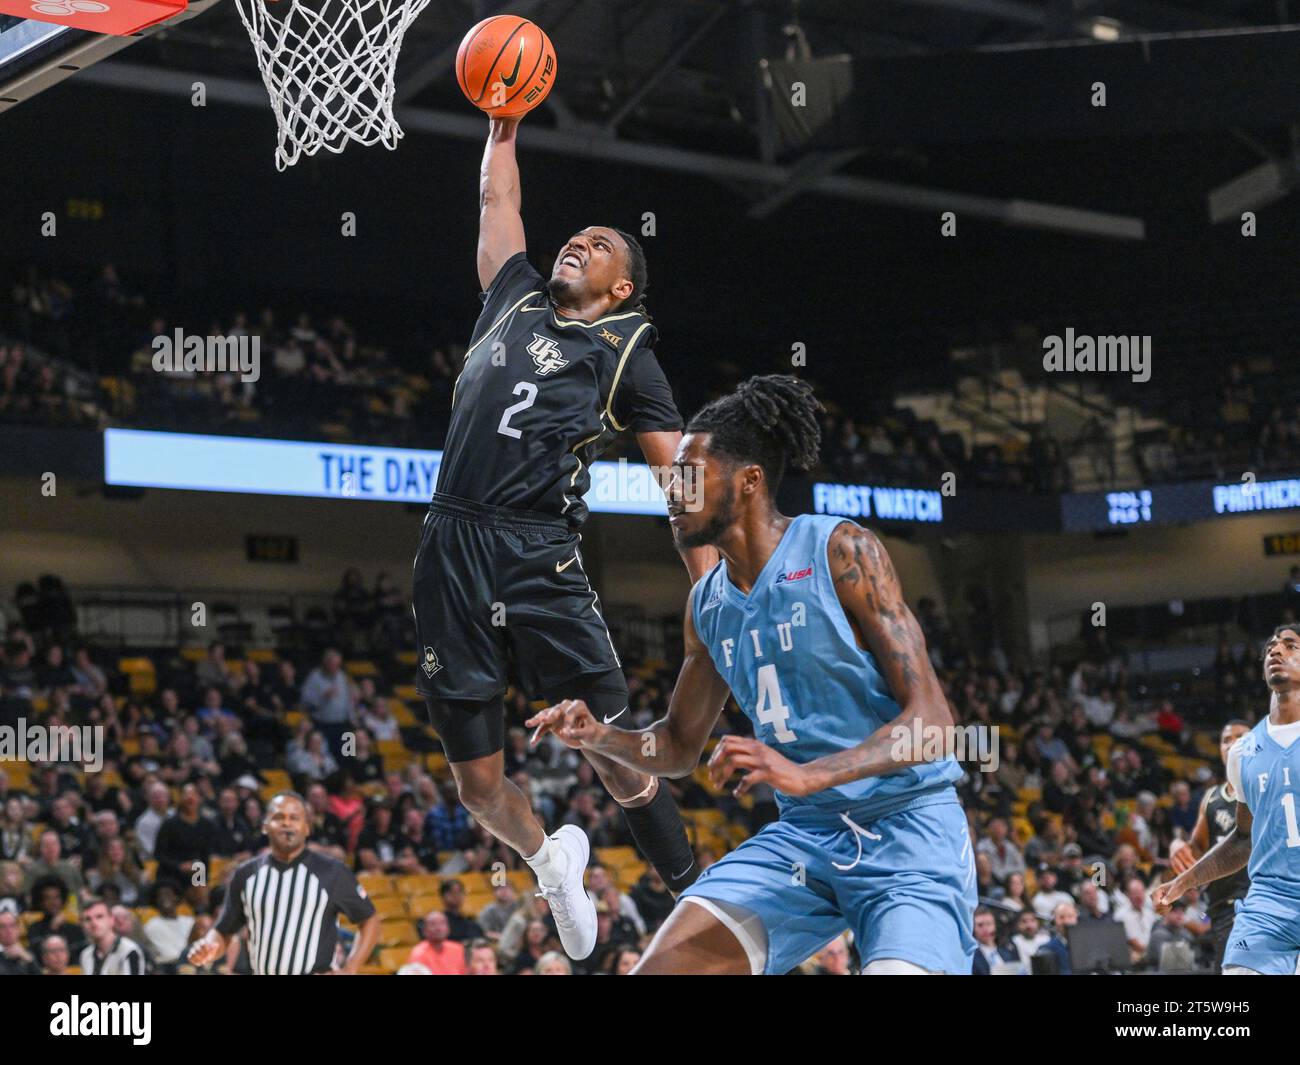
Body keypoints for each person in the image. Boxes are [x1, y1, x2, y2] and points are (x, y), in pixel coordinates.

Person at [528, 376, 977, 975]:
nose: (673, 493)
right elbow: (680, 747)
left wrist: (806, 773)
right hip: (803, 842)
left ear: (749, 480)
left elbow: (935, 722)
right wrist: (598, 736)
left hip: (908, 832)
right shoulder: (707, 605)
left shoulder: (841, 550)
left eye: (690, 476)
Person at [408, 111, 716, 962]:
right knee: (476, 789)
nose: (578, 241)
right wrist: (503, 120)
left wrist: (711, 583)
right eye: (577, 234)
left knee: (618, 751)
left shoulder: (626, 350)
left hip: (538, 552)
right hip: (450, 543)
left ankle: (696, 889)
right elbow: (495, 195)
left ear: (623, 288)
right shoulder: (511, 293)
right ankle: (551, 866)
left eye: (601, 245)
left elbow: (680, 478)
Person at [1154, 625, 1300, 974]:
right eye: (1269, 648)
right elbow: (1243, 838)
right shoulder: (1244, 753)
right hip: (1267, 903)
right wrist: (1182, 883)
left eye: (1290, 645)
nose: (1275, 652)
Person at [187, 791, 381, 975]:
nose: (287, 823)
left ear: (307, 827)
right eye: (279, 817)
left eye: (295, 818)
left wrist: (350, 967)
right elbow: (223, 931)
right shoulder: (245, 875)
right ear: (265, 825)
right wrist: (209, 946)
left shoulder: (333, 871)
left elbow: (370, 920)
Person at [1167, 719, 1251, 971]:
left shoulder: (1270, 786)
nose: (1233, 743)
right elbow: (1195, 849)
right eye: (1226, 740)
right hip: (1223, 904)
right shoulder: (1212, 798)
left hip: (1257, 900)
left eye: (1241, 737)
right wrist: (1176, 845)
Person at [78, 896, 146, 975]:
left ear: (111, 920)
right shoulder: (86, 955)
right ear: (82, 924)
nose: (93, 923)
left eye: (99, 917)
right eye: (87, 919)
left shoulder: (129, 951)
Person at [407, 911, 466, 976]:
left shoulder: (458, 948)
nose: (438, 928)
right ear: (424, 930)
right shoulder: (418, 954)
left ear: (448, 928)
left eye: (442, 923)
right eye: (432, 924)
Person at [971, 906, 1019, 975]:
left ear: (995, 926)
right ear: (973, 928)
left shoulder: (1008, 951)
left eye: (989, 924)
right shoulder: (971, 956)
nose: (985, 929)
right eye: (980, 925)